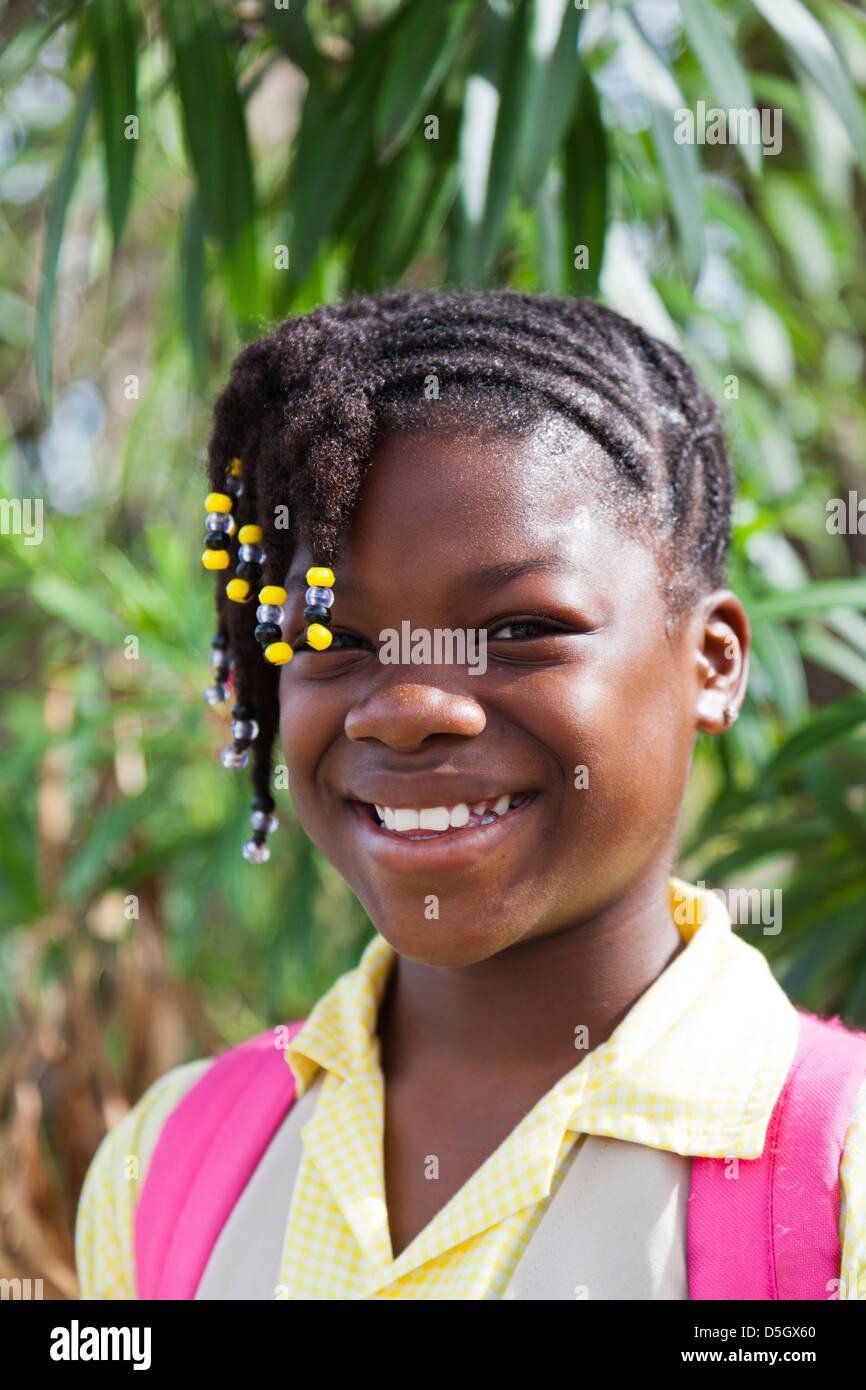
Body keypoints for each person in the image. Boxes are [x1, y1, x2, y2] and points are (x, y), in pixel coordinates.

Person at [74, 290, 866, 1300]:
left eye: (517, 629)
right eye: (330, 640)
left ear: (708, 663)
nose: (404, 708)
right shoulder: (169, 1168)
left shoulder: (827, 1188)